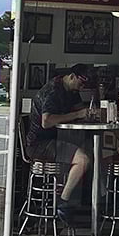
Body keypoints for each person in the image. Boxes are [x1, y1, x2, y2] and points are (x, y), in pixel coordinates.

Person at [26, 63, 92, 225]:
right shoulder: (53, 91)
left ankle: (91, 199)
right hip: (39, 144)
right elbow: (46, 121)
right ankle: (63, 202)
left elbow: (80, 111)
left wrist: (89, 113)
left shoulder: (72, 90)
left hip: (56, 139)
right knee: (83, 160)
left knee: (90, 149)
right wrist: (77, 114)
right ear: (72, 76)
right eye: (81, 82)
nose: (82, 87)